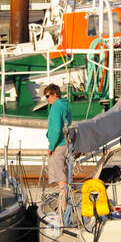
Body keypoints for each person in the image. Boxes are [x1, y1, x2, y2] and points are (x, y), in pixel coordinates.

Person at [44, 83, 72, 212]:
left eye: (48, 96)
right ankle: (65, 204)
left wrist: (51, 146)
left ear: (55, 94)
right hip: (66, 143)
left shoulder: (56, 106)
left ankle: (62, 207)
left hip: (59, 145)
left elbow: (55, 128)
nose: (47, 99)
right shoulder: (65, 105)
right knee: (65, 175)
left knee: (60, 178)